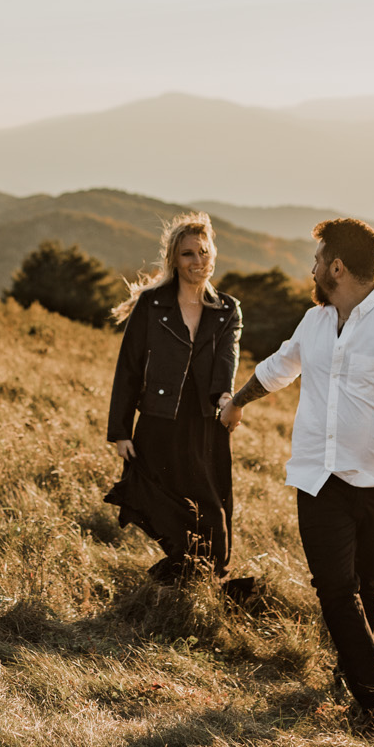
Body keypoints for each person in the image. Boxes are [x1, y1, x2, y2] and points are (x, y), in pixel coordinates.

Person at [220, 218, 374, 735]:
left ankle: (349, 670)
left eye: (319, 259)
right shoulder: (315, 323)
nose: (313, 268)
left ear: (337, 267)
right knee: (336, 588)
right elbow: (279, 367)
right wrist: (236, 402)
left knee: (366, 584)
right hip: (320, 481)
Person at [105, 213, 245, 592]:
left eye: (203, 251)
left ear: (213, 253)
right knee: (169, 510)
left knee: (212, 517)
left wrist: (227, 398)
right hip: (158, 422)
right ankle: (178, 592)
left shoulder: (227, 309)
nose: (197, 261)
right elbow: (129, 368)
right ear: (173, 259)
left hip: (204, 426)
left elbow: (226, 362)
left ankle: (186, 586)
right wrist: (120, 431)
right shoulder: (152, 305)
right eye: (187, 254)